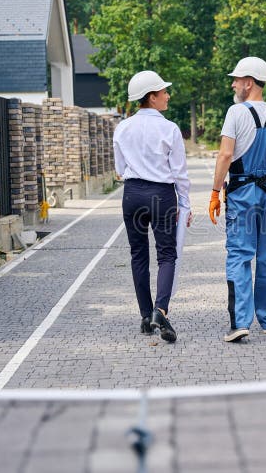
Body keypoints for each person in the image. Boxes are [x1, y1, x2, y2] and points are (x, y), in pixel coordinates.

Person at [208, 57, 266, 342]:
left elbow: (225, 155)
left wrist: (214, 191)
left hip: (242, 194)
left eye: (237, 79)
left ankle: (240, 323)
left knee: (240, 255)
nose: (234, 84)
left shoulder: (235, 113)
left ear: (249, 83)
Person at [114, 70, 191, 343]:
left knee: (138, 255)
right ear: (151, 97)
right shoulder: (169, 129)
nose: (167, 95)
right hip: (161, 195)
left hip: (132, 194)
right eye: (163, 92)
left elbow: (120, 169)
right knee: (167, 254)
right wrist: (186, 204)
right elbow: (179, 172)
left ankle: (146, 316)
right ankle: (161, 310)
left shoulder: (122, 128)